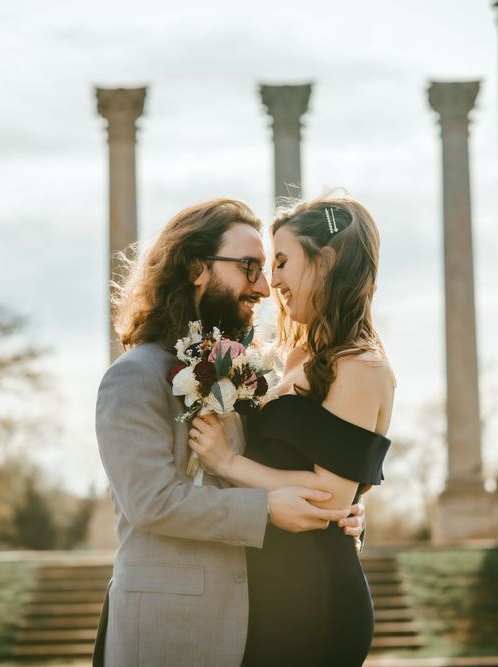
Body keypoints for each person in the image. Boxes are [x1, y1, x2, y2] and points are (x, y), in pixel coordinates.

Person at [93, 198, 366, 667]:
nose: (264, 287)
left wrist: (342, 507)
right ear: (197, 268)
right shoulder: (132, 376)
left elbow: (277, 465)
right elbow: (150, 501)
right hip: (168, 627)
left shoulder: (246, 373)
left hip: (257, 624)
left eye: (266, 268)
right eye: (249, 267)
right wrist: (266, 510)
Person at [189, 195, 394, 666]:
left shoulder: (362, 367)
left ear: (328, 261)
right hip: (269, 584)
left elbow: (332, 498)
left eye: (281, 262)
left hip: (314, 591)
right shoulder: (301, 358)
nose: (272, 280)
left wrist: (228, 463)